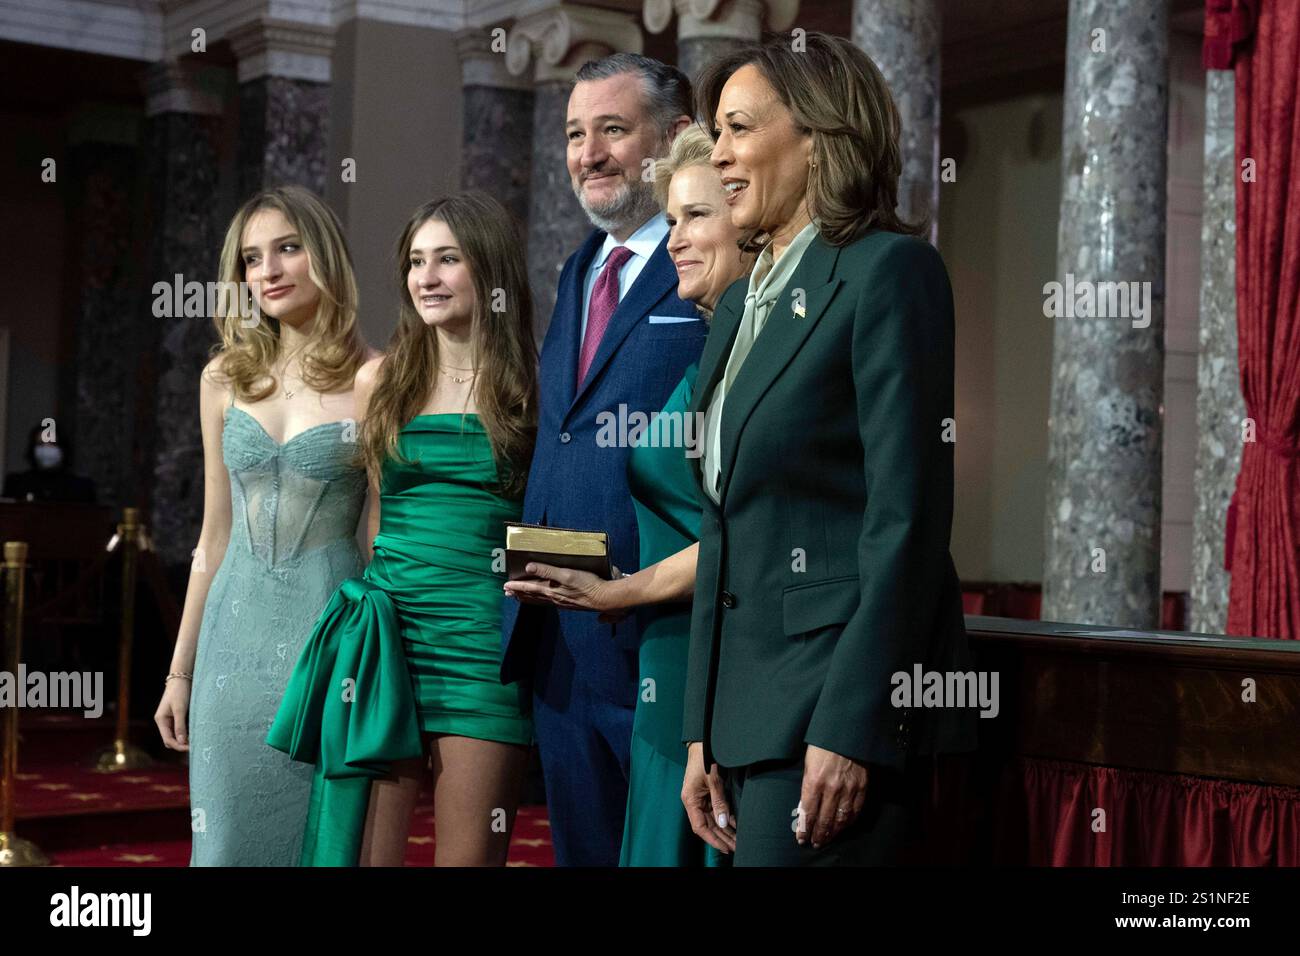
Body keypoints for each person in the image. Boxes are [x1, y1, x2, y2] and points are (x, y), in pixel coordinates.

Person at [678, 32, 979, 866]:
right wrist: (700, 733)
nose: (721, 154)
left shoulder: (889, 274)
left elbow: (907, 521)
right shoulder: (740, 309)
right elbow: (724, 530)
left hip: (832, 719)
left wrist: (856, 726)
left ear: (817, 136)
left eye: (738, 128)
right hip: (743, 724)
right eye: (717, 134)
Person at [504, 124, 753, 865]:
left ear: (749, 219)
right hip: (657, 652)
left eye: (698, 216)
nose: (676, 238)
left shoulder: (749, 351)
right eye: (672, 219)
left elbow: (748, 532)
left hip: (710, 657)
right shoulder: (583, 276)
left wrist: (623, 593)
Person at [270, 192, 537, 866]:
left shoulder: (533, 387)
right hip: (386, 647)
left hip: (484, 648)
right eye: (417, 261)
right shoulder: (380, 380)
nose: (427, 277)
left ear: (490, 270)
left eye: (448, 259)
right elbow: (379, 519)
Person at [154, 185, 375, 866]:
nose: (269, 270)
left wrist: (385, 666)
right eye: (252, 259)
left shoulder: (376, 377)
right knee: (221, 844)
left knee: (314, 844)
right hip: (230, 643)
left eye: (287, 248)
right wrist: (180, 671)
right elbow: (212, 534)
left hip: (325, 644)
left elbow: (378, 534)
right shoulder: (223, 377)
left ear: (325, 257)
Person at [2, 426, 95, 503]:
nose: (46, 448)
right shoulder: (16, 484)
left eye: (52, 443)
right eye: (41, 444)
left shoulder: (81, 488)